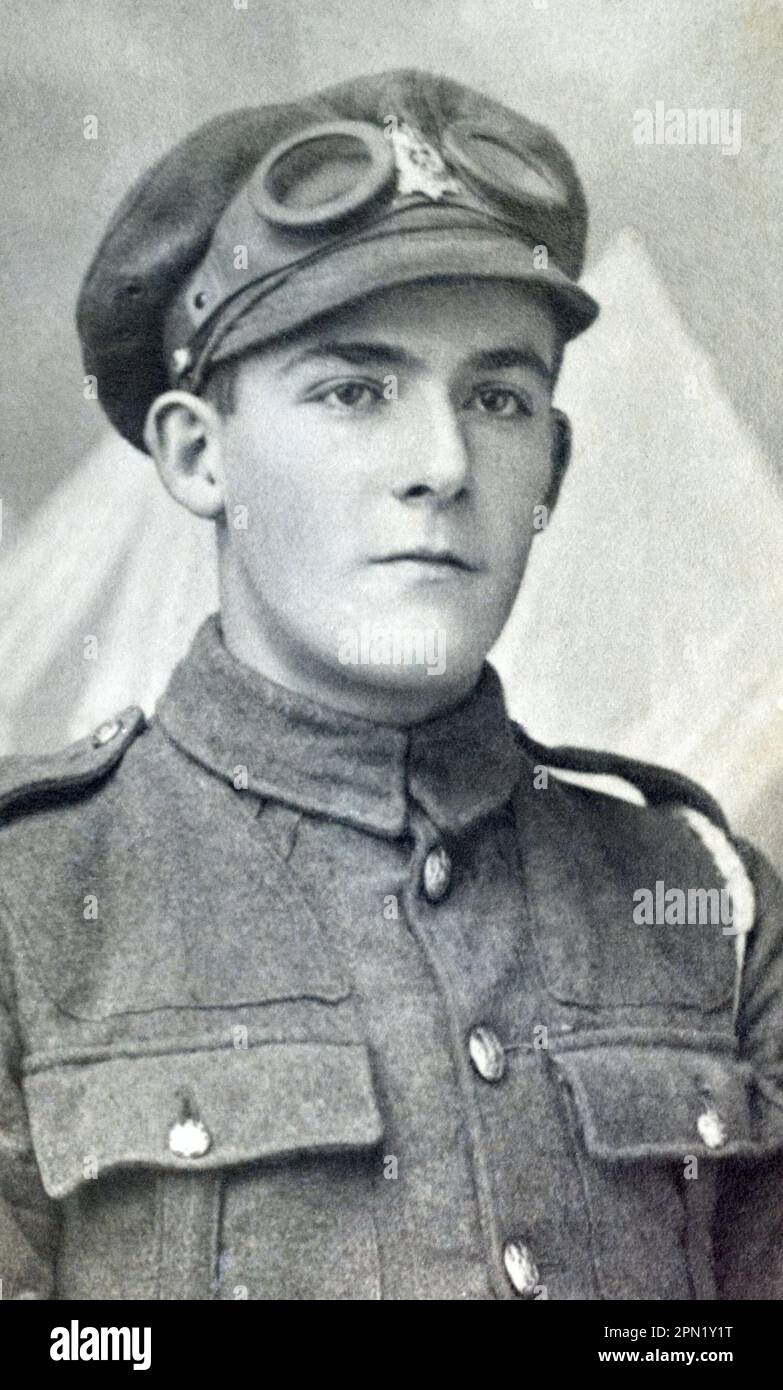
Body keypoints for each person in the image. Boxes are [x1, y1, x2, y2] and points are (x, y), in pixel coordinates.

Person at [1, 68, 781, 1301]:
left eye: (498, 396)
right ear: (200, 455)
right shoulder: (28, 904)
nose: (442, 463)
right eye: (357, 391)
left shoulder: (707, 903)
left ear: (553, 471)